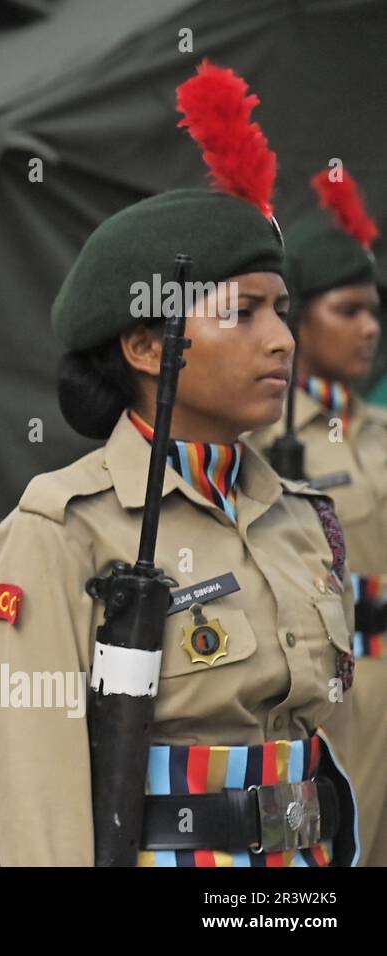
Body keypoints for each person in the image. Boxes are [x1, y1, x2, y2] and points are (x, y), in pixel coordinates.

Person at [0, 62, 359, 866]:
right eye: (241, 314)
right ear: (148, 346)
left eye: (282, 312)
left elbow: (329, 737)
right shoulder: (61, 529)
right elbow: (40, 798)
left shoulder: (298, 515)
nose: (282, 341)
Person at [251, 166, 385, 865]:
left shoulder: (379, 428)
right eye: (348, 310)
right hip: (330, 687)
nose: (369, 329)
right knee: (323, 855)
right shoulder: (262, 440)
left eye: (374, 312)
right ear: (298, 318)